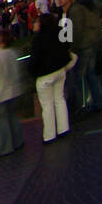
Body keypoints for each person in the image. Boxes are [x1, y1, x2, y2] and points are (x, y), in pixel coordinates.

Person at [29, 12, 75, 143]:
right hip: (60, 71)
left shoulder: (38, 39)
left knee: (47, 106)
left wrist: (32, 72)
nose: (35, 23)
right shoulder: (59, 31)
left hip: (45, 76)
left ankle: (49, 135)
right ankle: (63, 129)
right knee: (59, 99)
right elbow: (67, 46)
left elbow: (34, 60)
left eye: (37, 21)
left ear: (42, 23)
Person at [60, 0, 102, 118]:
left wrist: (72, 48)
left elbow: (76, 30)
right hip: (94, 40)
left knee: (81, 76)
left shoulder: (76, 8)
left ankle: (85, 104)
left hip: (84, 44)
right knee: (91, 73)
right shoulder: (88, 2)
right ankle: (98, 100)